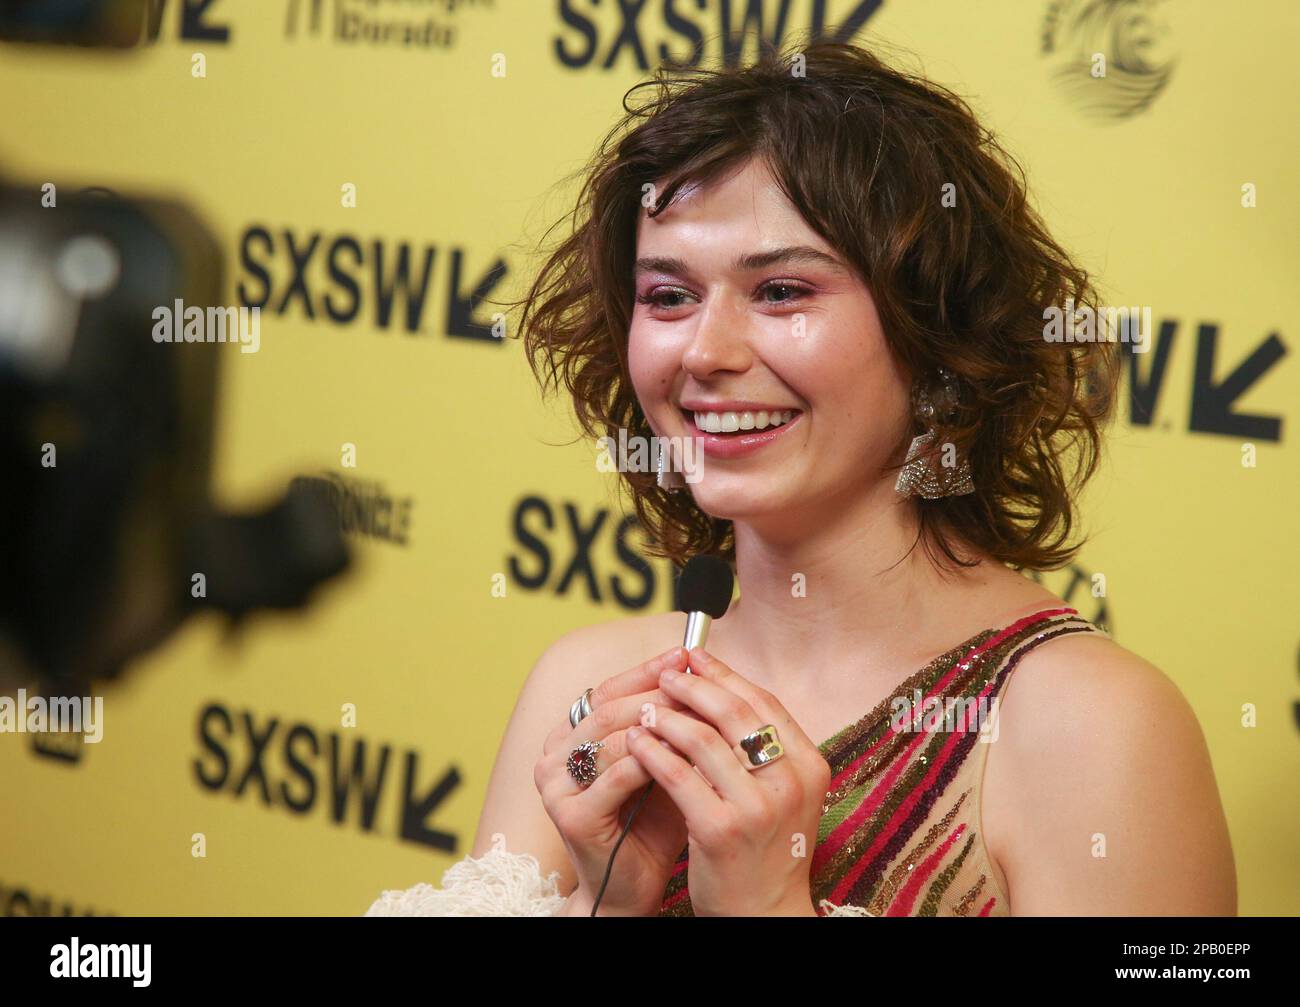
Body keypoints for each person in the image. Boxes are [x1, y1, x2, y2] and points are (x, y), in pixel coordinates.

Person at [365, 39, 1236, 918]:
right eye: (668, 297)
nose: (705, 352)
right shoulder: (590, 691)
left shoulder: (1094, 725)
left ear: (938, 340)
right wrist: (612, 904)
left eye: (781, 291)